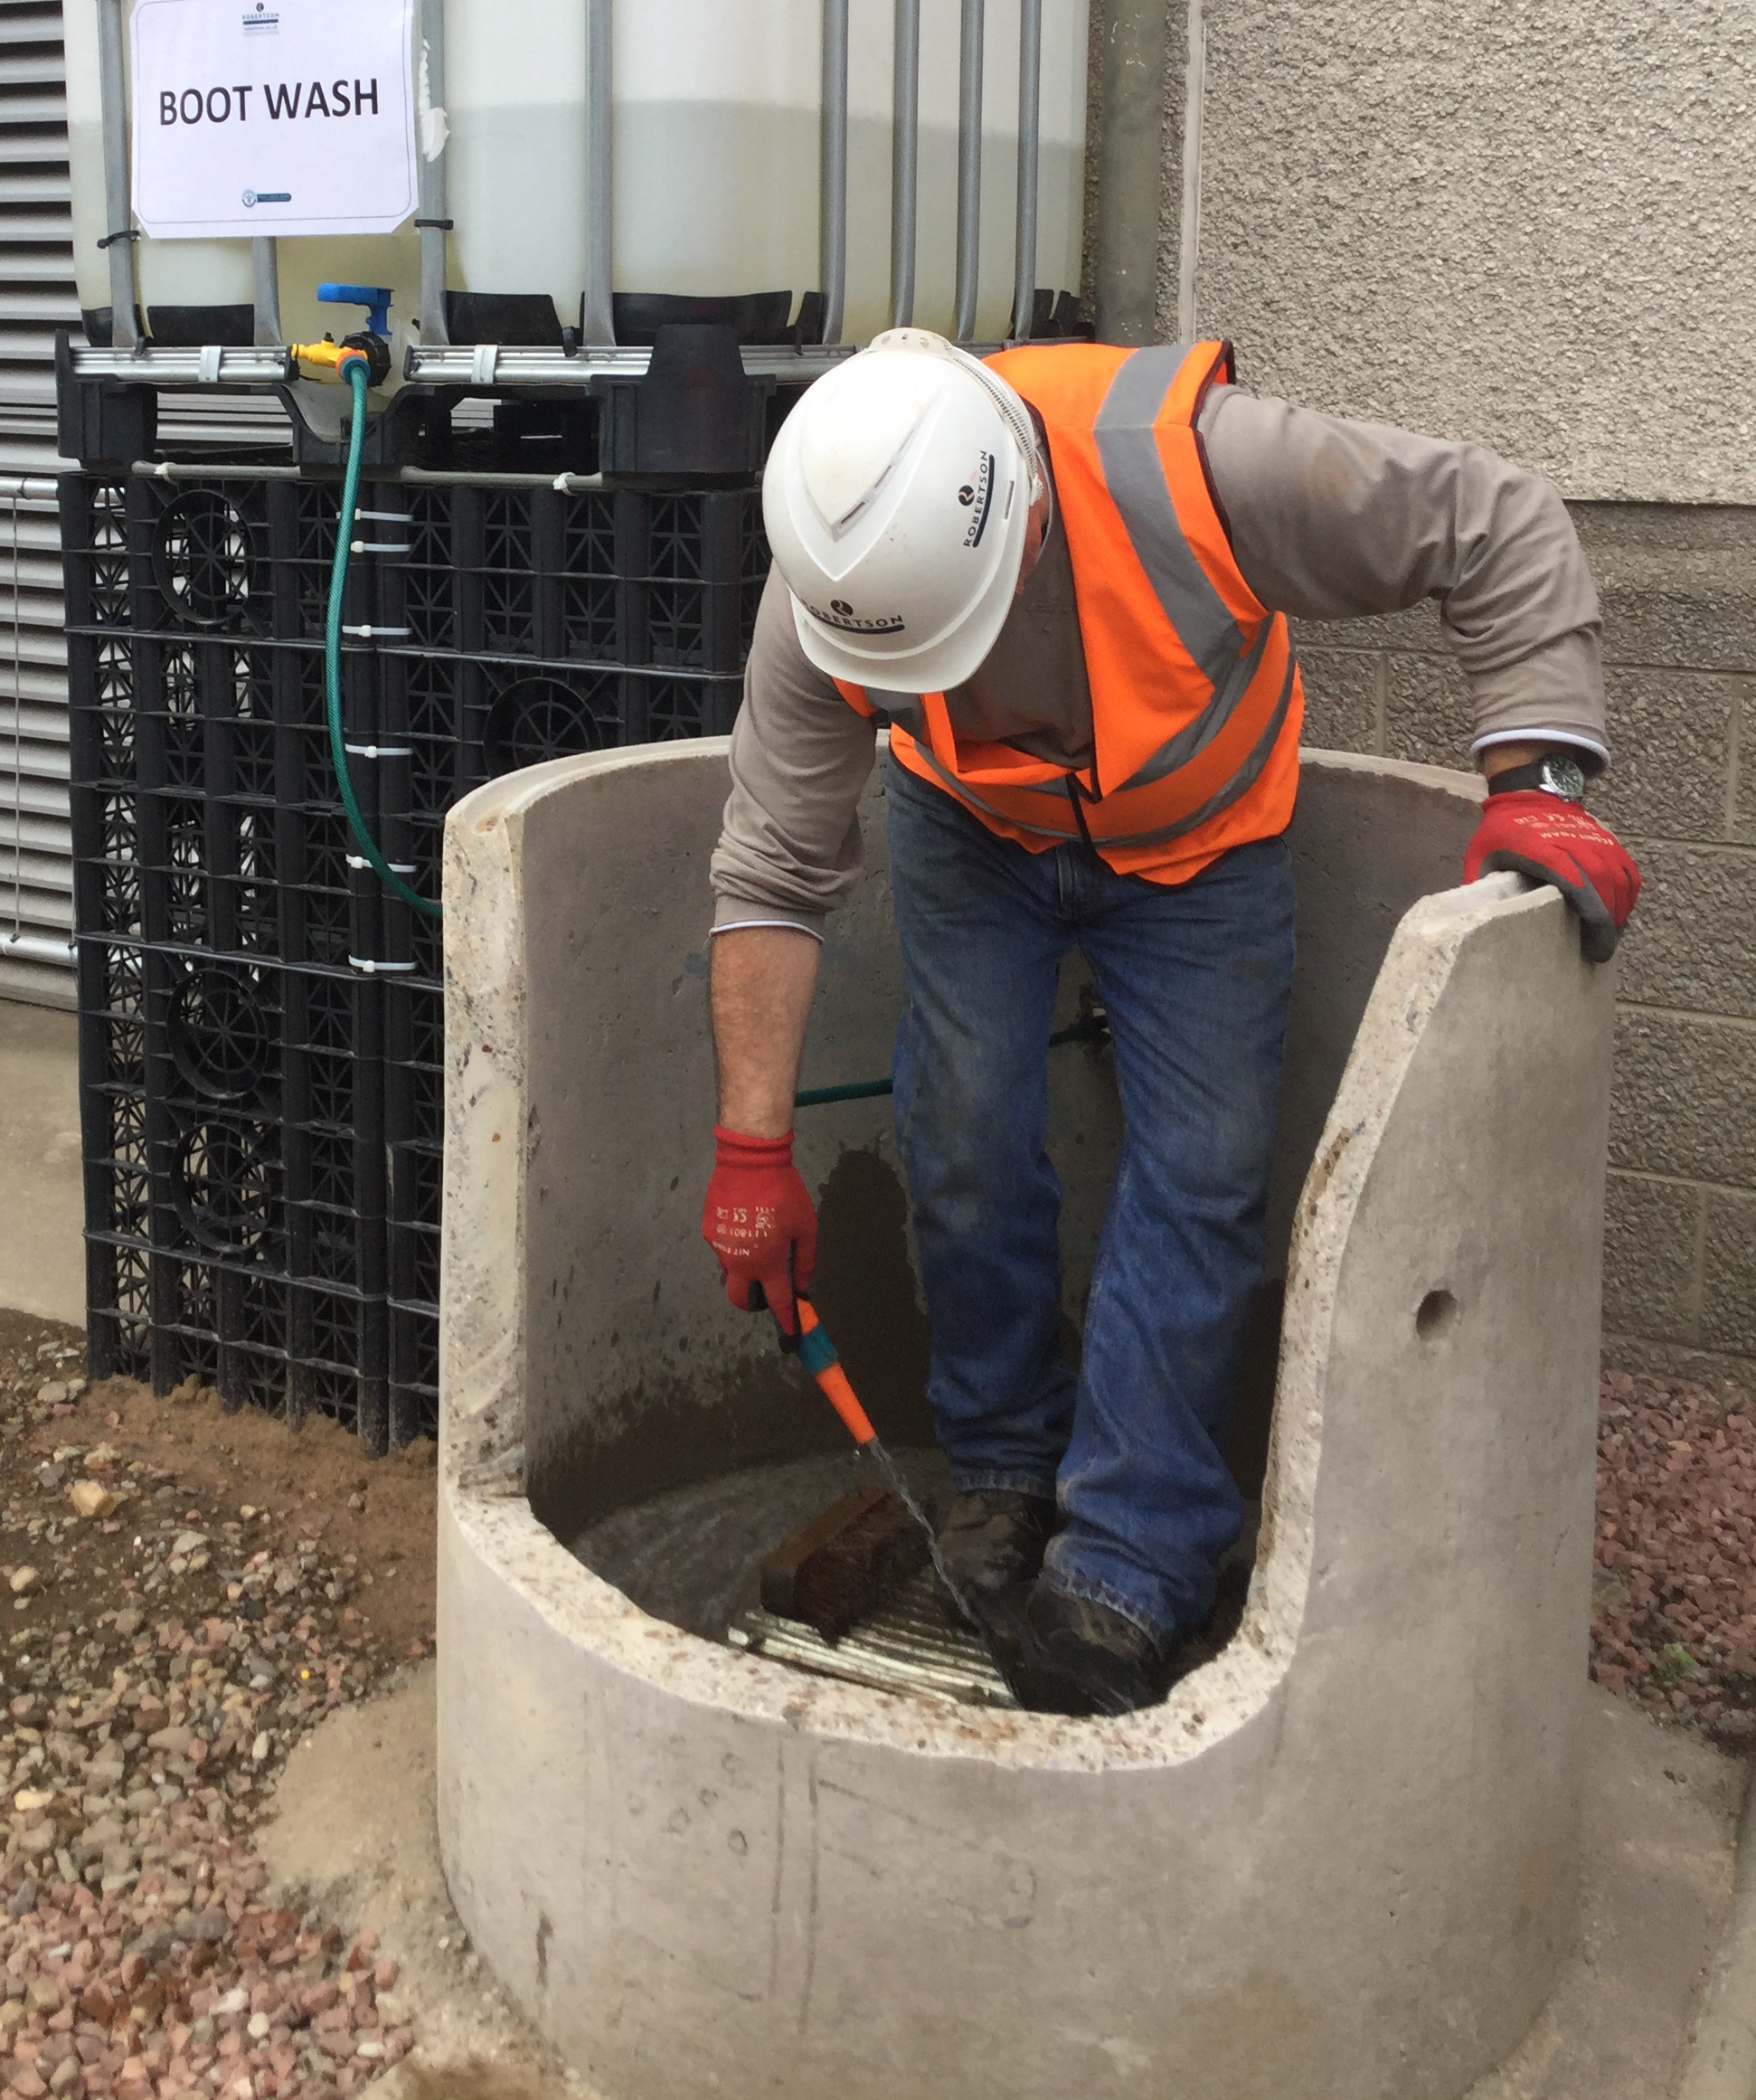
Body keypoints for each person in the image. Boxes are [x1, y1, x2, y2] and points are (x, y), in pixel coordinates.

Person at [699, 329, 1639, 1717]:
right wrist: (752, 1154)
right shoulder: (835, 586)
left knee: (1199, 1175)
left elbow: (1493, 519)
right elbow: (774, 867)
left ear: (1020, 524)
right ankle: (1007, 1468)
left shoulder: (1198, 473)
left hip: (1206, 849)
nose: (948, 687)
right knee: (958, 1133)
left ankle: (1135, 1558)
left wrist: (1537, 769)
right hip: (974, 839)